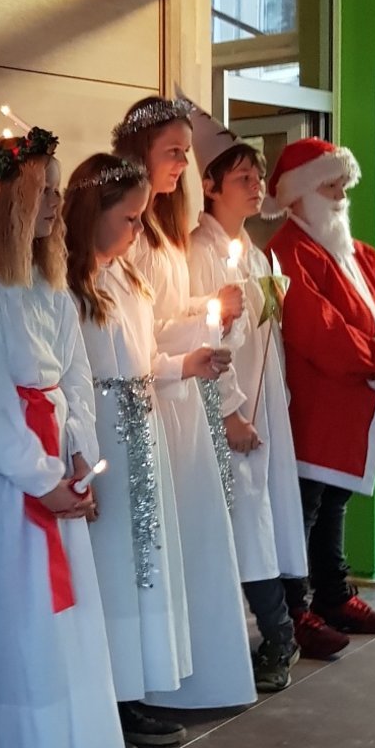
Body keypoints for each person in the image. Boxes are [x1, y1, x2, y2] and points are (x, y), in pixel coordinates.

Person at [0, 124, 129, 748]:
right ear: (7, 202)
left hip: (55, 463)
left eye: (57, 192)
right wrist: (42, 478)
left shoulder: (50, 285)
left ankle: (63, 744)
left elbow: (75, 378)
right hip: (11, 481)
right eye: (43, 192)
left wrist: (79, 456)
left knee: (63, 618)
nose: (56, 204)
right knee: (18, 614)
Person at [115, 97, 257, 713]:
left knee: (193, 541)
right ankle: (155, 682)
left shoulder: (167, 233)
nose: (179, 164)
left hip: (179, 397)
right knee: (161, 545)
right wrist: (206, 313)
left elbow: (168, 320)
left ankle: (194, 669)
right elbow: (140, 335)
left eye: (184, 152)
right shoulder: (133, 237)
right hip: (157, 400)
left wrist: (211, 311)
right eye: (172, 152)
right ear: (139, 153)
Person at [264, 136, 375, 640]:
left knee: (333, 502)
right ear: (300, 194)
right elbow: (316, 327)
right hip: (315, 408)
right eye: (329, 185)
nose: (339, 195)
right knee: (304, 507)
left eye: (341, 185)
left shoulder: (355, 252)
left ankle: (332, 596)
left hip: (355, 403)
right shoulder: (286, 252)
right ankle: (297, 611)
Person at [62, 153, 192, 746]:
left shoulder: (126, 277)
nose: (140, 230)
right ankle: (110, 693)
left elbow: (141, 357)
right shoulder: (70, 284)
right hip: (103, 431)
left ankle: (136, 685)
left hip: (139, 426)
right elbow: (76, 374)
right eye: (131, 217)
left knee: (144, 560)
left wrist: (185, 364)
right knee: (112, 562)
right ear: (94, 212)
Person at [190, 139, 307, 692]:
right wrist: (231, 410)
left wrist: (276, 400)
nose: (255, 186)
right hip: (225, 409)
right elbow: (210, 337)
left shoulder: (257, 253)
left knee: (266, 515)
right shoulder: (199, 251)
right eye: (242, 178)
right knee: (248, 520)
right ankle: (277, 634)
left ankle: (281, 629)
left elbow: (267, 336)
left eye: (257, 177)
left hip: (265, 405)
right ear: (210, 186)